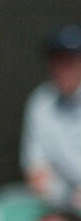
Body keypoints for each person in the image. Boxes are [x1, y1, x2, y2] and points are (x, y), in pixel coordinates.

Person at [19, 25, 81, 210]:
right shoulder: (41, 102)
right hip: (59, 208)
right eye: (57, 60)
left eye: (70, 61)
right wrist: (67, 199)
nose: (63, 68)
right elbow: (36, 173)